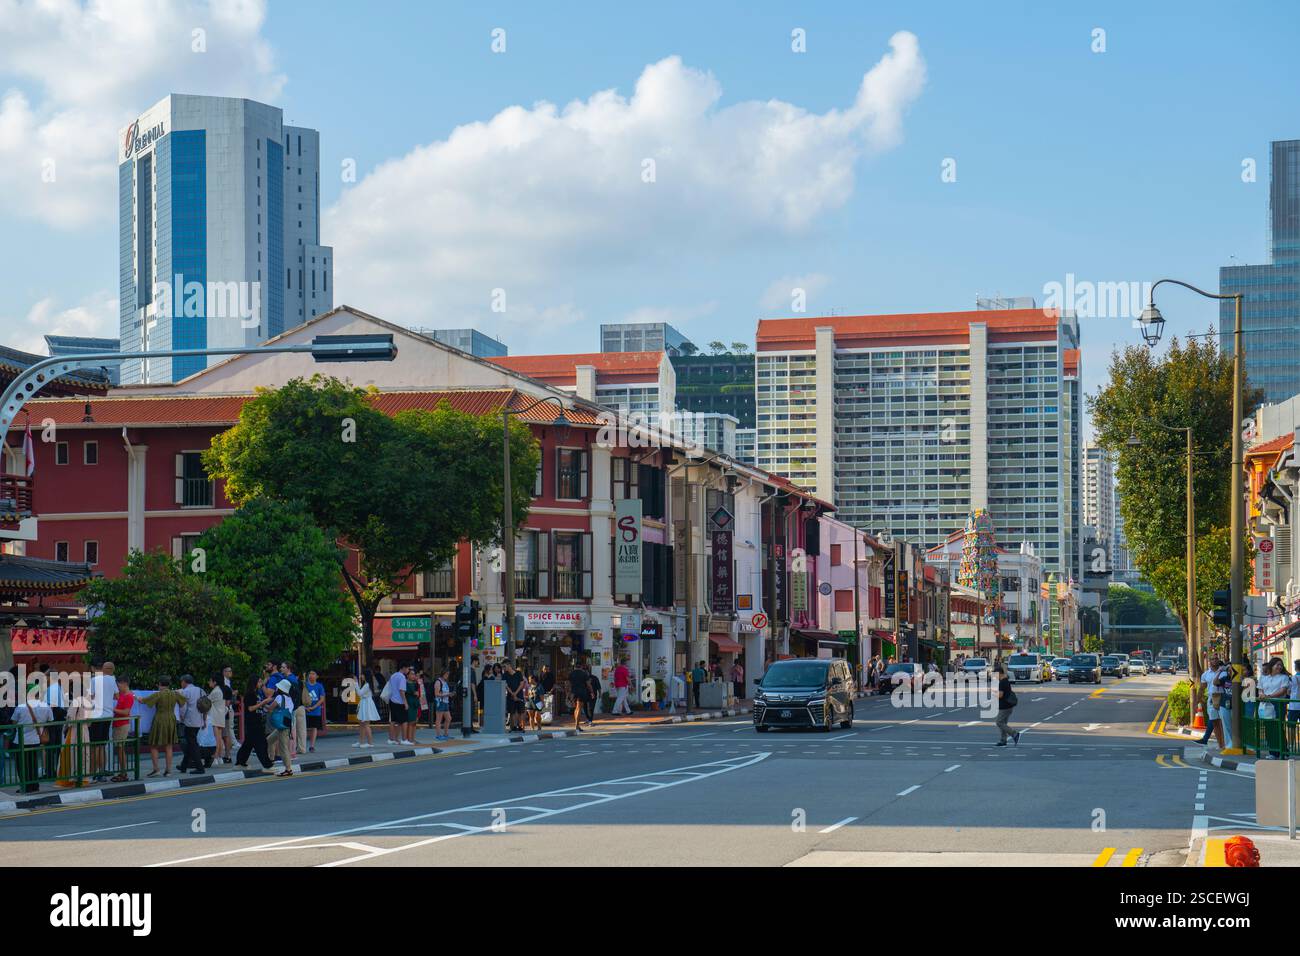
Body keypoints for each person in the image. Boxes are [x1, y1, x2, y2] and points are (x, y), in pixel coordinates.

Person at [137, 677, 185, 777]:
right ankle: (168, 770)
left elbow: (142, 701)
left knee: (154, 744)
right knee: (169, 745)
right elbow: (182, 703)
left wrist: (134, 696)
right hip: (171, 718)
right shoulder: (175, 693)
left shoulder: (158, 694)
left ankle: (156, 769)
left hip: (160, 718)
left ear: (159, 684)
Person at [12, 689, 53, 793]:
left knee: (22, 765)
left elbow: (13, 722)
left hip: (21, 741)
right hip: (36, 739)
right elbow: (50, 720)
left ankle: (25, 786)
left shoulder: (21, 707)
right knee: (33, 763)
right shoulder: (46, 706)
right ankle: (34, 785)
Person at [235, 675, 274, 770]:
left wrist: (267, 707)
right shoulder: (250, 694)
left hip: (257, 720)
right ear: (254, 683)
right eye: (259, 682)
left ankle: (240, 762)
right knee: (261, 743)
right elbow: (250, 708)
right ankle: (267, 765)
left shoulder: (257, 693)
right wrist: (264, 701)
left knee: (248, 745)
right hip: (252, 722)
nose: (261, 684)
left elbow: (258, 706)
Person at [87, 661, 117, 779]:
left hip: (97, 716)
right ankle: (102, 772)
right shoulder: (112, 680)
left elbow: (91, 697)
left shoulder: (94, 680)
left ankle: (93, 773)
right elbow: (117, 696)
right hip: (108, 716)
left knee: (94, 746)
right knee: (102, 745)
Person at [1258, 659, 1290, 759]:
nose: (1279, 667)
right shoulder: (1263, 678)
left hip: (1278, 704)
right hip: (1266, 704)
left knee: (1278, 727)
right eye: (1277, 665)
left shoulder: (1284, 677)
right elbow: (1260, 690)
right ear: (1271, 665)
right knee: (1268, 728)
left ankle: (1283, 751)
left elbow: (1283, 690)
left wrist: (1270, 696)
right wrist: (1262, 695)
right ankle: (1273, 752)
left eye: (1281, 665)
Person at [266, 679, 297, 776]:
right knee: (269, 740)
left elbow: (270, 708)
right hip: (285, 724)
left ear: (280, 688)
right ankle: (271, 760)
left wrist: (263, 704)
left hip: (282, 726)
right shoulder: (289, 699)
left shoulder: (279, 697)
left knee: (283, 748)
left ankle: (288, 769)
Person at [176, 674, 205, 775]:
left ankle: (200, 767)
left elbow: (183, 707)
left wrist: (181, 717)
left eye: (181, 682)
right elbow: (206, 706)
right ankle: (184, 766)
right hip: (199, 720)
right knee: (190, 743)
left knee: (192, 744)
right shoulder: (201, 690)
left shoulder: (186, 692)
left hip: (190, 721)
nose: (181, 684)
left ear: (184, 681)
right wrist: (204, 720)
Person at [110, 674, 135, 782]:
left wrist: (112, 709)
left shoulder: (129, 696)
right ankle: (122, 772)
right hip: (118, 724)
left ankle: (123, 773)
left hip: (122, 724)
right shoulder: (122, 695)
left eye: (118, 685)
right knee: (119, 749)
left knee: (120, 749)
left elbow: (126, 712)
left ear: (124, 683)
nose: (117, 687)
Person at [1198, 658, 1224, 749]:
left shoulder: (1223, 672)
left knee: (1222, 722)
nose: (1215, 660)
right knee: (1214, 721)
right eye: (1212, 659)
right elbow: (1202, 687)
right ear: (1210, 661)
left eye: (1216, 659)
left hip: (1222, 698)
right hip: (1211, 699)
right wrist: (1199, 698)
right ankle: (1220, 745)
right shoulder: (1205, 674)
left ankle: (1224, 744)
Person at [993, 663, 1020, 747]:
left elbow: (1000, 695)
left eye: (995, 674)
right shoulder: (1005, 681)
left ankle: (1014, 733)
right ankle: (1003, 740)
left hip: (1004, 706)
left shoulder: (1002, 683)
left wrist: (994, 693)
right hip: (1007, 706)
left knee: (999, 722)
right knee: (1003, 723)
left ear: (999, 673)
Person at [206, 674, 229, 764]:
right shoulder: (221, 690)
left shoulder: (215, 691)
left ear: (215, 682)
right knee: (219, 737)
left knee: (216, 738)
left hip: (215, 716)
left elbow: (207, 701)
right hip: (220, 715)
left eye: (210, 681)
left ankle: (216, 756)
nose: (209, 682)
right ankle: (219, 756)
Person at [354, 668, 380, 748]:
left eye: (362, 675)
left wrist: (356, 683)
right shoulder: (366, 684)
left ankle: (370, 743)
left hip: (366, 704)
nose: (361, 676)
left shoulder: (367, 685)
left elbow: (359, 693)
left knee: (366, 724)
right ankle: (361, 742)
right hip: (364, 703)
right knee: (362, 724)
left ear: (365, 676)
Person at [385, 665, 410, 745]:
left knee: (393, 721)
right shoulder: (402, 677)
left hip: (392, 700)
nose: (408, 670)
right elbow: (402, 691)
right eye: (408, 668)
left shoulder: (393, 675)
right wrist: (405, 703)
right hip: (400, 701)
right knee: (404, 721)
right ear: (404, 668)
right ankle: (404, 739)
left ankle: (392, 739)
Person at [304, 670, 326, 752]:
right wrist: (306, 707)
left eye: (313, 674)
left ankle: (312, 746)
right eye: (310, 673)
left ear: (317, 676)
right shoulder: (305, 685)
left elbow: (322, 699)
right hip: (305, 709)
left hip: (316, 710)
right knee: (303, 728)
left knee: (314, 727)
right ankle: (302, 745)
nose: (311, 675)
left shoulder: (319, 686)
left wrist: (314, 707)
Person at [503, 663, 526, 733]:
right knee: (512, 712)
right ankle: (514, 726)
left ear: (509, 665)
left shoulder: (518, 673)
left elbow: (522, 683)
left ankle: (521, 726)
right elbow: (505, 685)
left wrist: (515, 693)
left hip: (519, 695)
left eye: (505, 666)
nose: (504, 668)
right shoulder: (505, 675)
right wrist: (512, 694)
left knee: (521, 712)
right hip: (510, 695)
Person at [570, 658, 591, 731]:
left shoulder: (571, 673)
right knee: (579, 708)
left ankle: (576, 725)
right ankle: (576, 725)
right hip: (581, 692)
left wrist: (568, 693)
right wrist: (591, 692)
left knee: (576, 708)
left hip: (573, 692)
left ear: (575, 666)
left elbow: (567, 683)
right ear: (581, 666)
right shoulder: (584, 673)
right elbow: (588, 684)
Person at [433, 669, 453, 740]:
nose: (447, 676)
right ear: (443, 674)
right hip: (440, 702)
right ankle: (438, 735)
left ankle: (445, 733)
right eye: (446, 674)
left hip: (445, 702)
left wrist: (449, 694)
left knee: (448, 718)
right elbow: (436, 694)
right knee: (439, 719)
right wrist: (447, 694)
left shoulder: (445, 682)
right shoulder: (438, 682)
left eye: (448, 674)